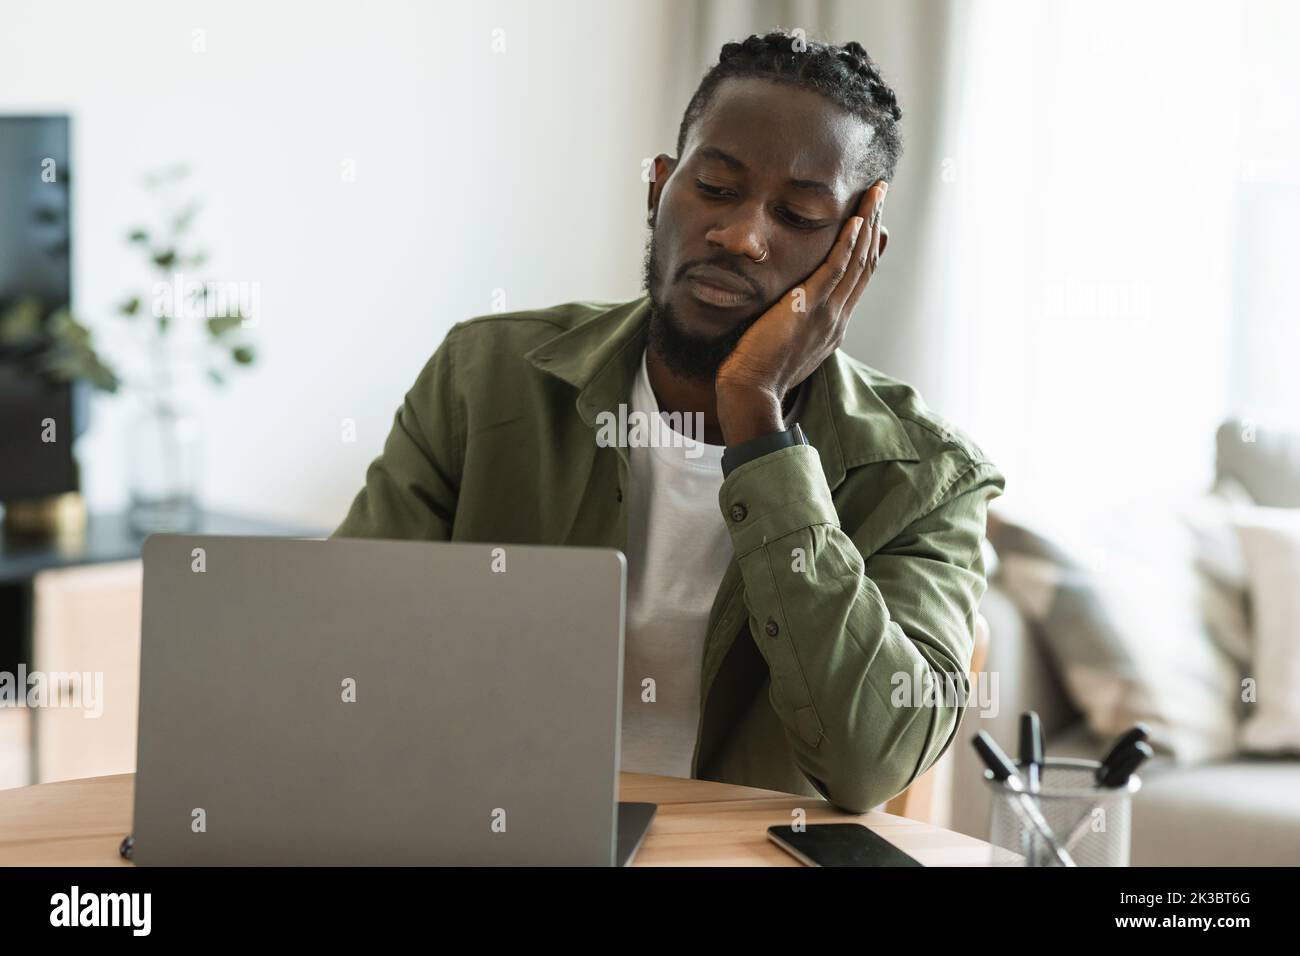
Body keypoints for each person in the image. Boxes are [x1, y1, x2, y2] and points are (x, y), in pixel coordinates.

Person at [333, 31, 1006, 813]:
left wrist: (759, 419)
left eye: (796, 214)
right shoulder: (483, 380)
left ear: (858, 254)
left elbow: (873, 761)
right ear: (659, 191)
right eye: (715, 188)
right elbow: (344, 654)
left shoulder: (928, 480)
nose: (742, 236)